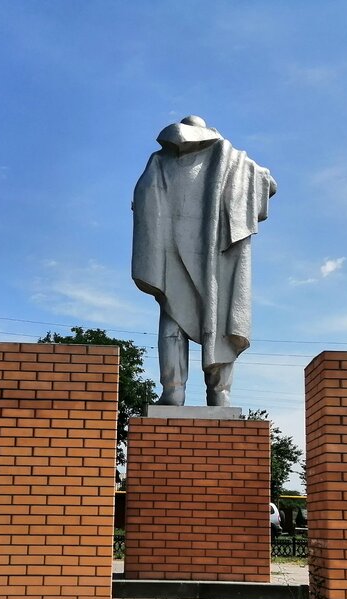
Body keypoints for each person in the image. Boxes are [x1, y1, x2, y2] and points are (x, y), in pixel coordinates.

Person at [132, 115, 276, 407]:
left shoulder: (162, 161)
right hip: (214, 257)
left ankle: (174, 390)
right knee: (218, 322)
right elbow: (269, 185)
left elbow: (143, 197)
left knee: (174, 316)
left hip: (180, 253)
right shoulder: (234, 160)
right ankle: (218, 393)